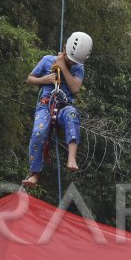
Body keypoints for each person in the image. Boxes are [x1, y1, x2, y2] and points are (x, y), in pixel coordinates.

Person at [22, 31, 92, 187]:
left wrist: (64, 68)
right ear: (65, 48)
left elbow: (74, 89)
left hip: (64, 106)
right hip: (45, 105)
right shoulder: (47, 60)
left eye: (73, 62)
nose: (70, 62)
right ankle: (34, 173)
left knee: (72, 115)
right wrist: (44, 79)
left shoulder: (78, 68)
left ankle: (72, 158)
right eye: (68, 59)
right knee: (38, 132)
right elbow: (29, 79)